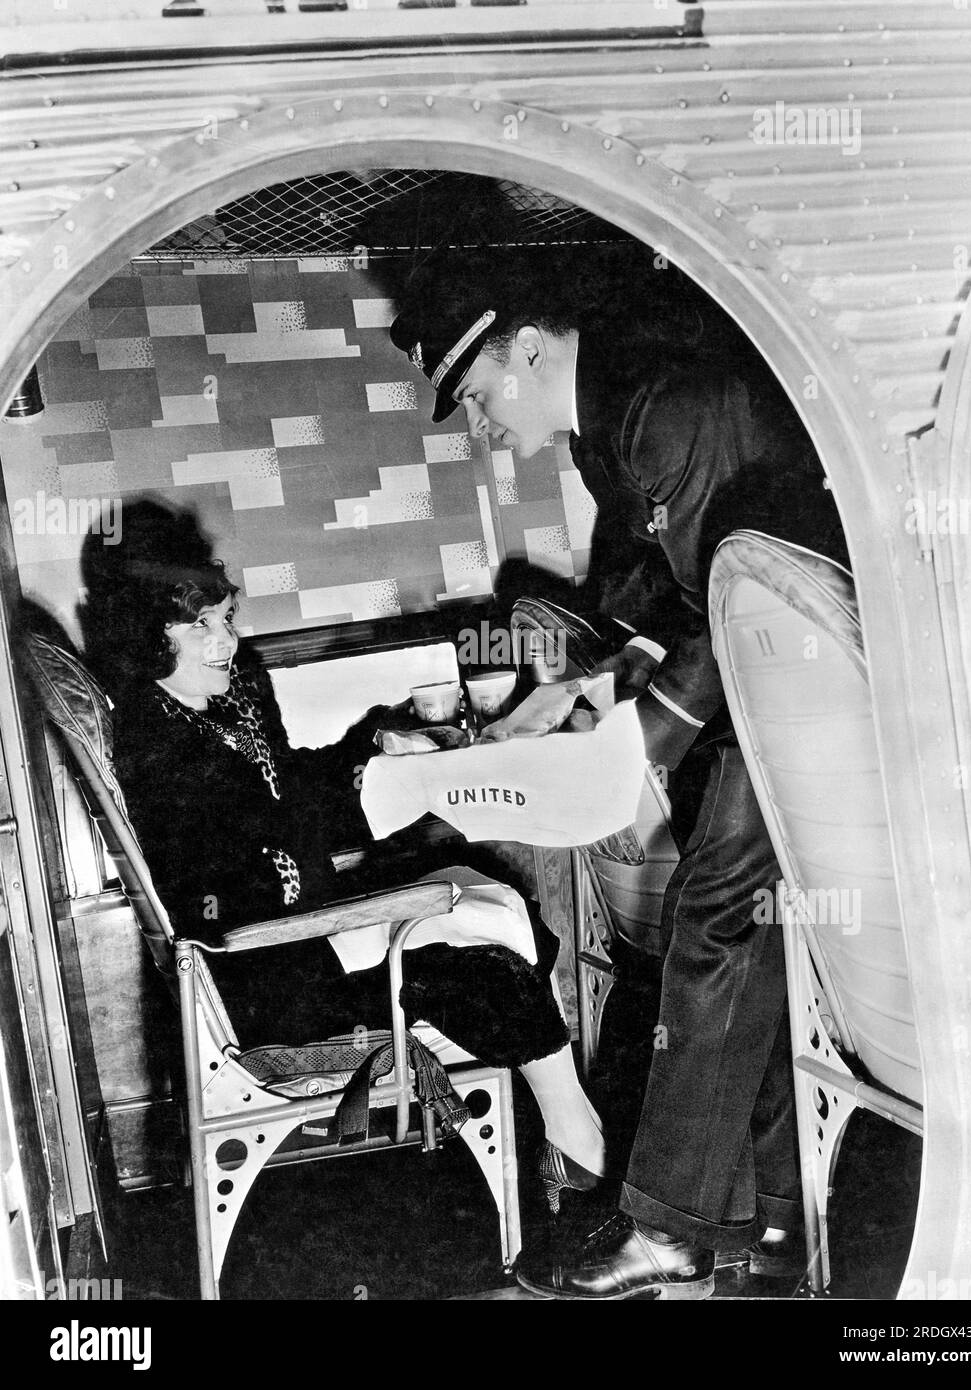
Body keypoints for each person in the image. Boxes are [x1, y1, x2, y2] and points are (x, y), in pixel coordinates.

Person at [388, 249, 849, 1299]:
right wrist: (560, 699)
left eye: (477, 394)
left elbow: (743, 588)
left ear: (530, 350)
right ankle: (760, 1220)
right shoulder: (617, 424)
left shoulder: (656, 406)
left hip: (809, 681)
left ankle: (675, 1234)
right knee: (740, 938)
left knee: (718, 926)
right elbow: (657, 589)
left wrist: (623, 747)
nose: (481, 424)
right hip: (768, 680)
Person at [97, 542, 605, 1207]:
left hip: (309, 923)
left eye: (226, 617)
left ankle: (567, 1135)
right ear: (151, 633)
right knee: (487, 963)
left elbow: (285, 799)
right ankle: (576, 1141)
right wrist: (375, 797)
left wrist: (376, 746)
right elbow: (245, 875)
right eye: (202, 626)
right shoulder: (157, 749)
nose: (225, 639)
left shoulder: (225, 700)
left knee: (496, 895)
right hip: (271, 974)